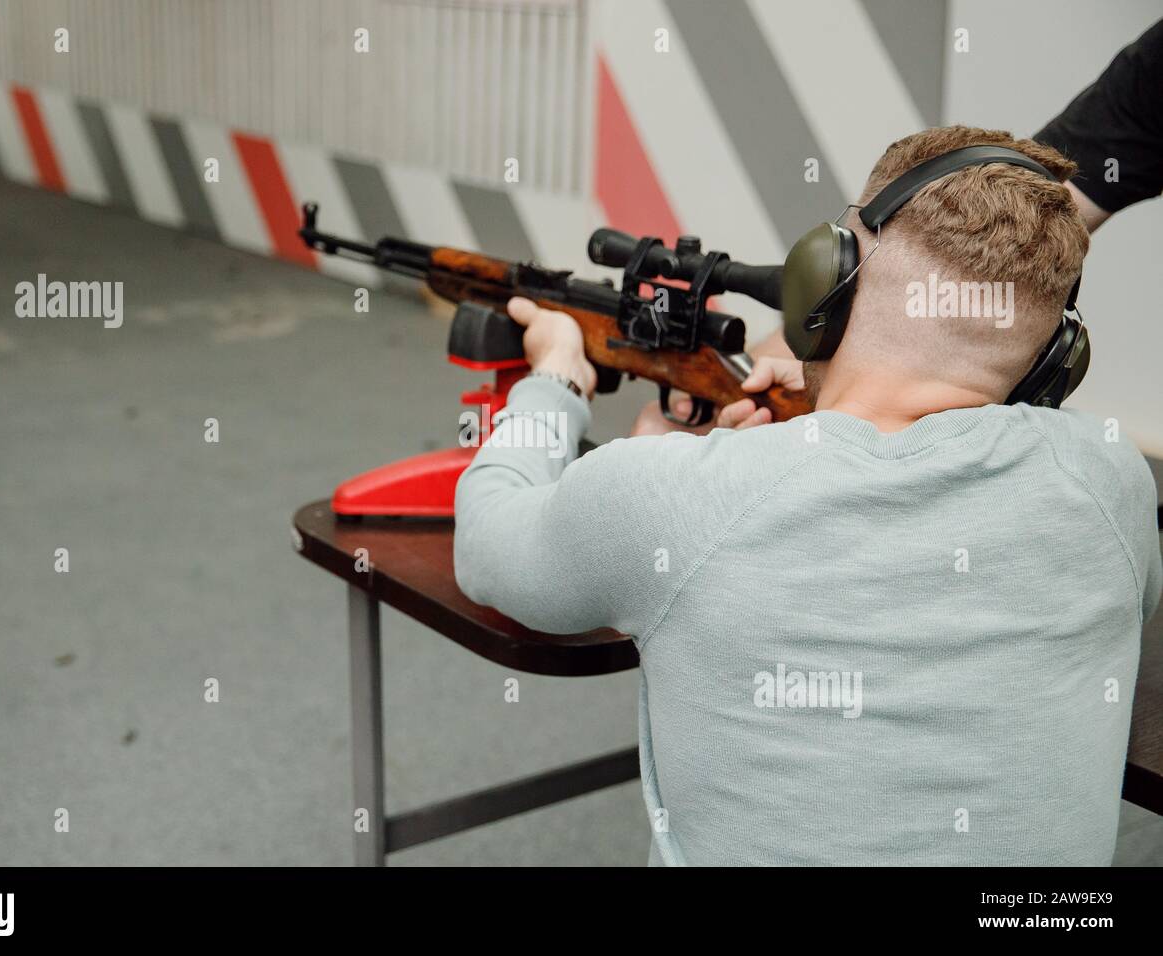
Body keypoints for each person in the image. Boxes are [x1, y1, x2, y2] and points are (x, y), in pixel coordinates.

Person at [451, 124, 1161, 865]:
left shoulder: (673, 495)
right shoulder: (1112, 478)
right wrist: (825, 410)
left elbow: (489, 545)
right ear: (1055, 359)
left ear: (824, 288)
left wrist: (554, 381)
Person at [650, 18, 1162, 436]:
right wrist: (815, 379)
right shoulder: (1111, 480)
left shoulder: (630, 484)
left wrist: (564, 376)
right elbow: (1021, 228)